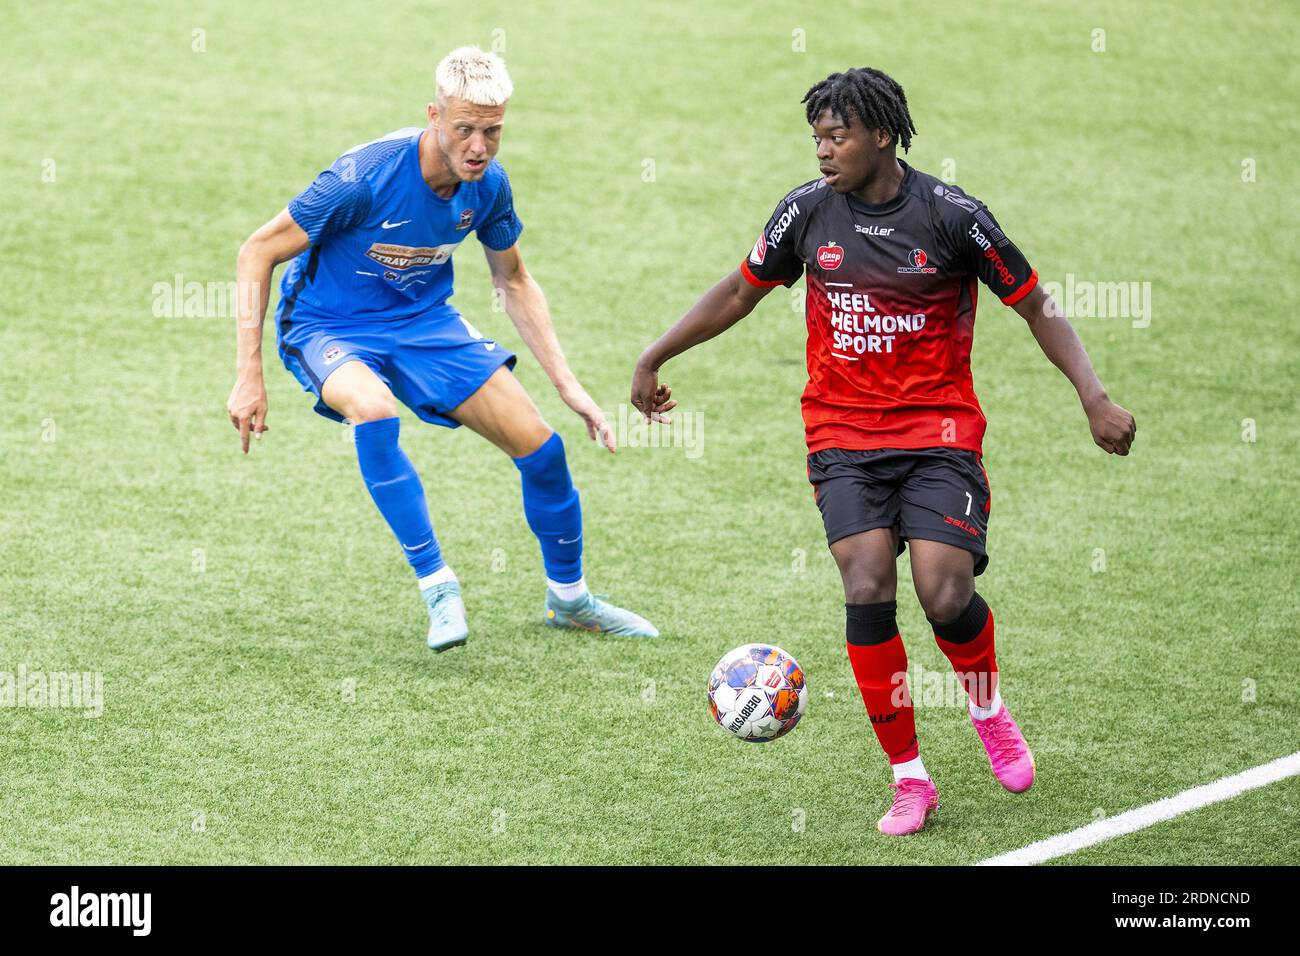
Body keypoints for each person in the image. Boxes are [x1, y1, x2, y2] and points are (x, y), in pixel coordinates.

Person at [631, 67, 1135, 835]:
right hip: (843, 438)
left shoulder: (952, 217)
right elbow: (740, 292)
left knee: (944, 594)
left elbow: (1033, 302)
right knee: (866, 583)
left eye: (838, 136)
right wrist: (654, 356)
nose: (824, 151)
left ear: (882, 136)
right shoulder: (806, 212)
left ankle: (989, 712)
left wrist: (1093, 396)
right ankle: (910, 780)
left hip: (938, 436)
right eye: (817, 138)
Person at [227, 47, 658, 651]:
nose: (479, 146)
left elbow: (513, 281)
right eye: (464, 129)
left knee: (542, 449)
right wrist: (248, 373)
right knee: (373, 410)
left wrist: (569, 386)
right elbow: (257, 251)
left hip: (423, 321)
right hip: (330, 325)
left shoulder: (489, 187)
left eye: (492, 131)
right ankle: (438, 586)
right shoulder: (362, 177)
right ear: (433, 115)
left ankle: (570, 599)